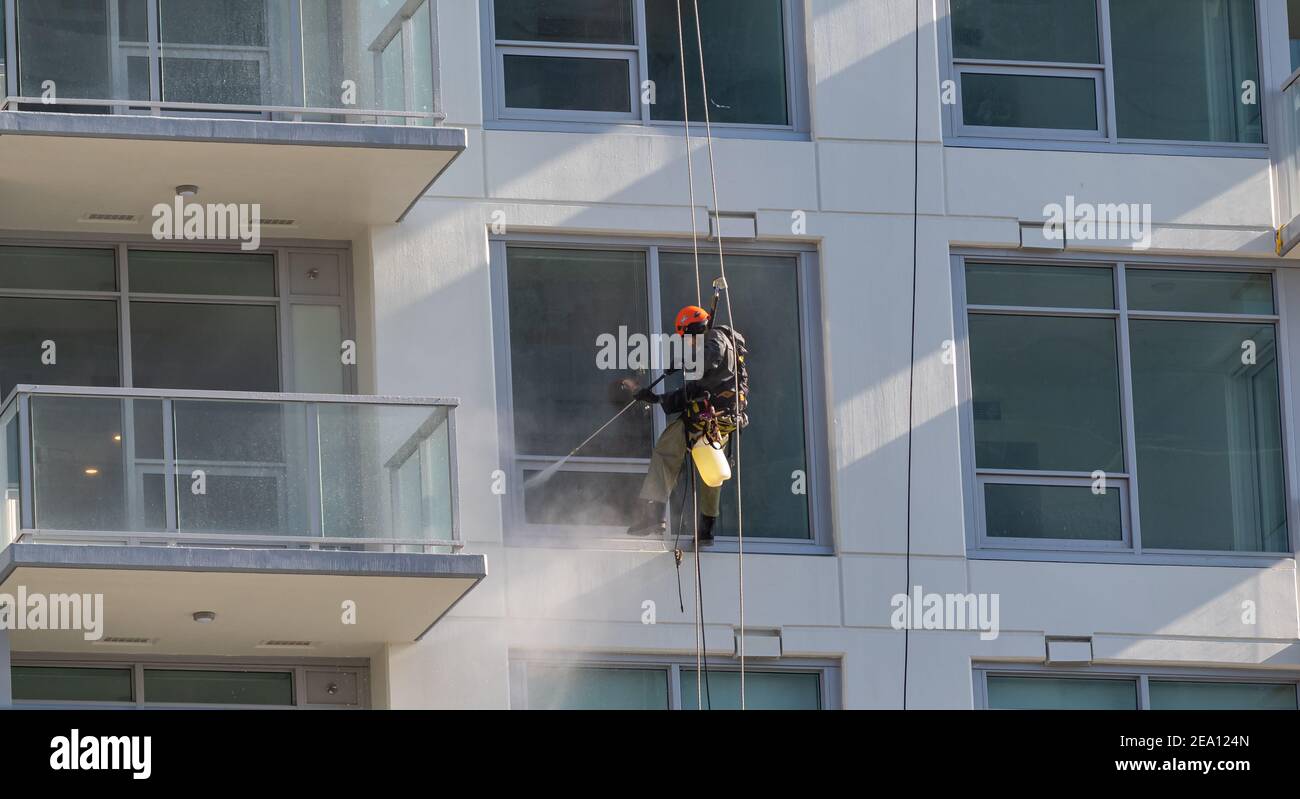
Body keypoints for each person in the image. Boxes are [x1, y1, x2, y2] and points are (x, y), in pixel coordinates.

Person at [625, 305, 748, 544]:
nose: (688, 343)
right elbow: (692, 391)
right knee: (711, 470)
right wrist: (657, 398)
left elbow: (709, 358)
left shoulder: (716, 337)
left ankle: (654, 514)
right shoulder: (720, 348)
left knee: (666, 452)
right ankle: (706, 529)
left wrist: (685, 361)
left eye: (687, 338)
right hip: (720, 420)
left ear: (694, 329)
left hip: (707, 418)